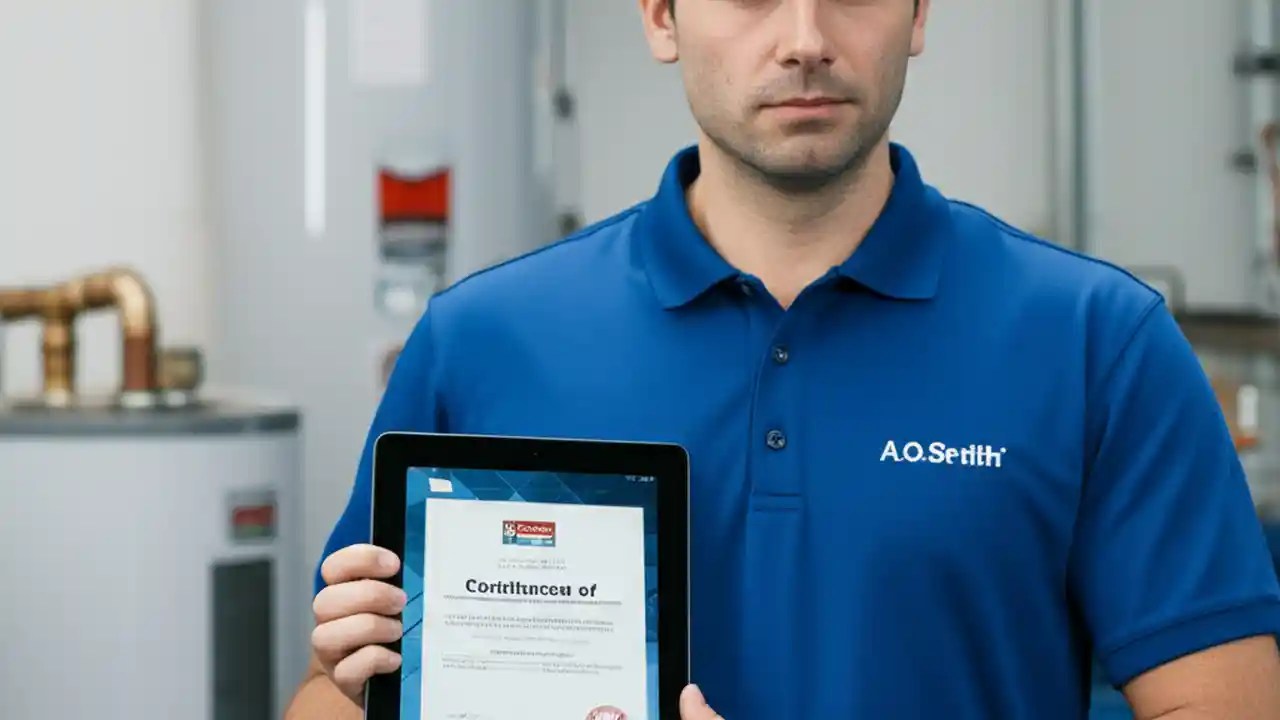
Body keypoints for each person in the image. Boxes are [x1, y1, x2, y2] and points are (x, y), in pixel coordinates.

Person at [286, 0, 1280, 717]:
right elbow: (334, 698)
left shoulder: (1095, 340)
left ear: (918, 13)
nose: (804, 38)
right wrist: (352, 684)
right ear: (660, 16)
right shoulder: (483, 340)